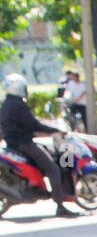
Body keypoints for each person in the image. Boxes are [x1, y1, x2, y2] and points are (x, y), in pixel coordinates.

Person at [0, 72, 77, 217]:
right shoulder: (17, 105)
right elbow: (33, 124)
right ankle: (60, 205)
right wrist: (54, 130)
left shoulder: (7, 104)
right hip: (24, 143)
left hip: (14, 143)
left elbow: (28, 123)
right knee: (53, 169)